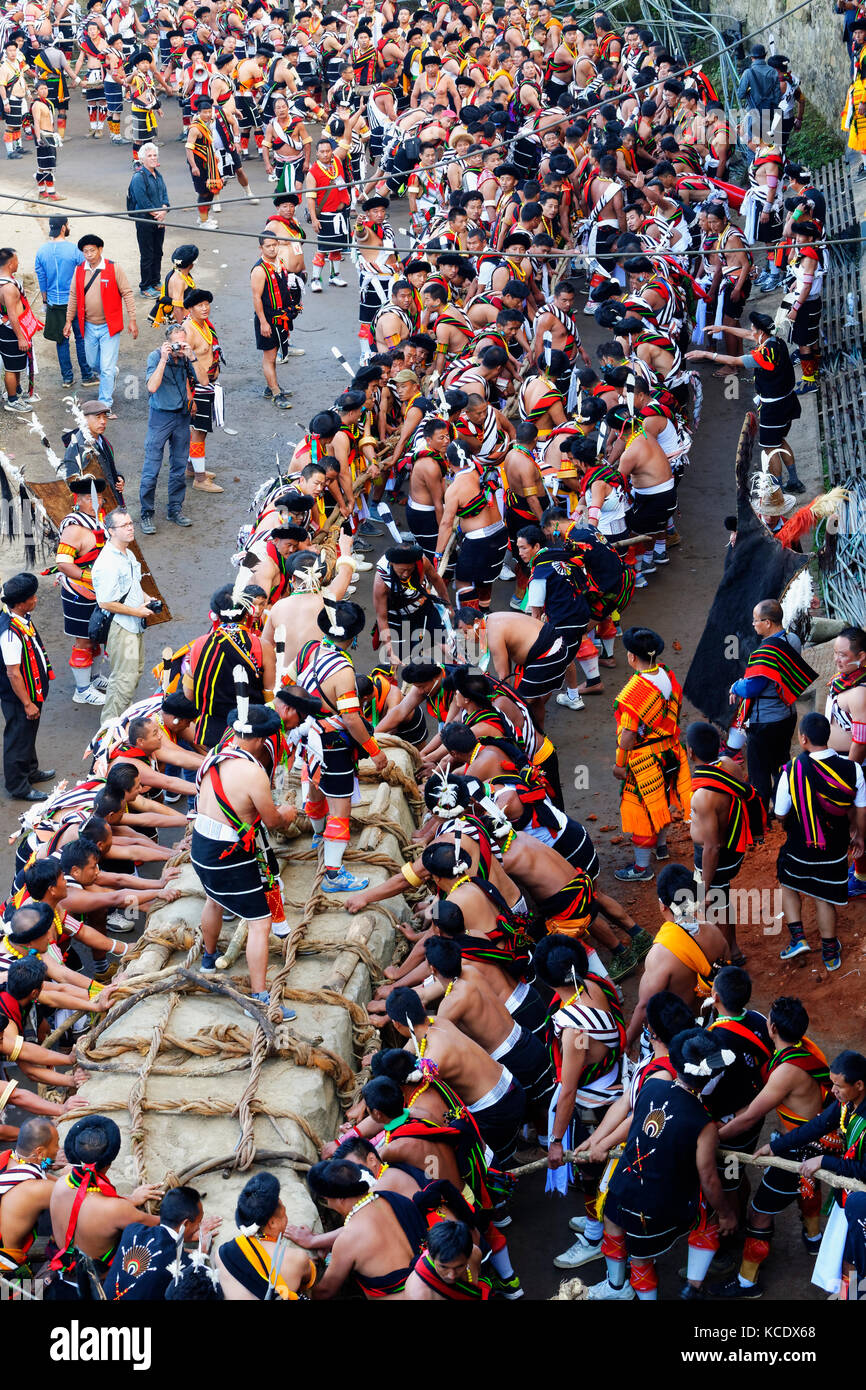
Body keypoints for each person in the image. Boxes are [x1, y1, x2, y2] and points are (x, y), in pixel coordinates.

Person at [585, 1027, 737, 1301]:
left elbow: (634, 1120)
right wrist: (726, 1213)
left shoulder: (652, 1085)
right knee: (709, 1215)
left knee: (615, 1222)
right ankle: (693, 1287)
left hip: (620, 1194)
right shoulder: (704, 1124)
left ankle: (617, 1286)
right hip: (658, 1210)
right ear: (711, 1078)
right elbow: (709, 1179)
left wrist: (602, 1143)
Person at [713, 995, 831, 1298]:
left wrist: (712, 1138)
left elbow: (752, 1114)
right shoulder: (806, 1049)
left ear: (773, 1027)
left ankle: (747, 1283)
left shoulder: (785, 1072)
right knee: (809, 1186)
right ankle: (814, 1238)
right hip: (813, 1142)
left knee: (759, 1215)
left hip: (794, 1149)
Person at [190, 703, 299, 1016]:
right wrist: (288, 813)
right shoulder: (252, 772)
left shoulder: (216, 754)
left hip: (202, 847)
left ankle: (208, 960)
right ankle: (259, 998)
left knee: (213, 899)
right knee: (259, 922)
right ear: (262, 739)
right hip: (230, 856)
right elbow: (273, 820)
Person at [288, 597, 390, 893]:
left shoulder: (309, 650)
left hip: (309, 737)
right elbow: (351, 720)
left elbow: (288, 685)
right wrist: (375, 751)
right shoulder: (343, 672)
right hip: (333, 745)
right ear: (353, 635)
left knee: (315, 787)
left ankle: (319, 836)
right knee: (340, 810)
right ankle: (333, 873)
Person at [761, 1049, 866, 1299]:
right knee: (847, 1254)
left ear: (859, 1085)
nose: (833, 1091)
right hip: (851, 1194)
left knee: (855, 1255)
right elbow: (817, 1126)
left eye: (839, 1086)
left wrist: (824, 1160)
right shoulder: (847, 1103)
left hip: (860, 1200)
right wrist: (775, 1147)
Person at [774, 712, 866, 972]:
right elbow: (861, 808)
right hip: (835, 850)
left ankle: (797, 938)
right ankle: (829, 953)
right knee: (824, 897)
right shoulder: (853, 769)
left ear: (803, 739)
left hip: (799, 848)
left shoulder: (792, 770)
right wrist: (858, 835)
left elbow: (780, 813)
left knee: (788, 883)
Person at [47, 1115, 161, 1297]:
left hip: (63, 1274)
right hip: (97, 1285)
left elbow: (86, 1204)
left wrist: (130, 1199)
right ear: (108, 1163)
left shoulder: (62, 1182)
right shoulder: (116, 1209)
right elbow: (165, 1226)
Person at [612, 626, 691, 882]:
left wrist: (619, 764)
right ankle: (661, 847)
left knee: (640, 806)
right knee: (662, 799)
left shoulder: (634, 692)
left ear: (632, 657)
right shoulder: (666, 674)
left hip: (646, 759)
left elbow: (627, 735)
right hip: (671, 752)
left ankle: (641, 868)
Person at [625, 864, 728, 1051]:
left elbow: (644, 1006)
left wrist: (627, 1042)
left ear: (662, 905)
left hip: (671, 1038)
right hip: (707, 1023)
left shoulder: (660, 955)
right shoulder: (715, 934)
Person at [727, 599, 817, 813]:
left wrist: (736, 686)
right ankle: (782, 809)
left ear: (768, 622)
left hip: (765, 721)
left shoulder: (767, 651)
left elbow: (752, 688)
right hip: (788, 714)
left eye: (756, 620)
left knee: (759, 773)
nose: (753, 624)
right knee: (781, 765)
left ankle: (760, 820)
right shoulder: (792, 639)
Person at [90, 509, 154, 723]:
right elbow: (105, 602)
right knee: (123, 680)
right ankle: (109, 729)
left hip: (134, 624)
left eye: (130, 523)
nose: (130, 527)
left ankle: (124, 721)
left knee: (135, 672)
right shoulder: (107, 563)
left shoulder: (128, 553)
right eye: (124, 525)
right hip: (122, 627)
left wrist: (146, 598)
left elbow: (132, 585)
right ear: (111, 531)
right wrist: (137, 611)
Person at [64, 232, 138, 416]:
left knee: (105, 368)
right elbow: (73, 295)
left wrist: (133, 320)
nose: (89, 254)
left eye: (92, 250)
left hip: (109, 327)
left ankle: (105, 403)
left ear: (100, 250)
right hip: (88, 325)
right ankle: (110, 372)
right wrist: (68, 321)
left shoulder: (114, 269)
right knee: (91, 362)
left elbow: (127, 293)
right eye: (85, 251)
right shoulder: (79, 270)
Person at [105, 1185, 220, 1299]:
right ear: (185, 1224)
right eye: (199, 1222)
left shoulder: (132, 1230)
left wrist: (184, 1237)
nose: (199, 1226)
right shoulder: (184, 1263)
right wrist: (201, 1252)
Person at [53, 473, 108, 707]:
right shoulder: (74, 528)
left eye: (101, 499)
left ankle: (94, 678)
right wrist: (90, 577)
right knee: (83, 642)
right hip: (79, 593)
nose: (99, 503)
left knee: (97, 638)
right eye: (93, 499)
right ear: (81, 500)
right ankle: (82, 690)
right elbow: (64, 563)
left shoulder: (99, 520)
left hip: (100, 591)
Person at [0, 573, 55, 804]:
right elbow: (13, 673)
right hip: (20, 698)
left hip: (32, 693)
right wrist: (27, 703)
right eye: (32, 597)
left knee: (27, 735)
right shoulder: (11, 633)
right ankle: (18, 786)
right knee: (18, 739)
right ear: (21, 603)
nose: (36, 599)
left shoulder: (21, 617)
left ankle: (31, 771)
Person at [217, 1172, 315, 1299]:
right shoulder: (297, 1258)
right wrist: (308, 1262)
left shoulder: (222, 1253)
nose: (286, 1218)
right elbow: (308, 1279)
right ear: (272, 1223)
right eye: (284, 1214)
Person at [140, 322, 196, 533]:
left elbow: (202, 380)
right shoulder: (155, 357)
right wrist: (164, 359)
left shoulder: (185, 356)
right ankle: (146, 514)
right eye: (176, 344)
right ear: (167, 343)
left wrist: (191, 357)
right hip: (160, 417)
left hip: (182, 416)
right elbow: (152, 387)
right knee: (151, 469)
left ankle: (175, 509)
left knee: (179, 467)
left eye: (183, 342)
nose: (180, 347)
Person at [33, 215, 96, 388]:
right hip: (75, 302)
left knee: (61, 340)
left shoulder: (42, 251)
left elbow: (42, 279)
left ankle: (67, 378)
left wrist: (46, 301)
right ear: (63, 228)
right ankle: (87, 375)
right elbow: (87, 274)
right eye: (67, 224)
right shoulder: (75, 250)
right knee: (81, 339)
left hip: (55, 303)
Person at [0, 1118, 61, 1278]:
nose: (58, 1149)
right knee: (33, 1292)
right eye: (56, 1143)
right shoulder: (36, 1189)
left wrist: (48, 1162)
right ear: (40, 1152)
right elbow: (78, 1196)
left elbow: (39, 1170)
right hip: (7, 1270)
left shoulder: (6, 1159)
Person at [403, 1219, 491, 1300]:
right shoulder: (418, 1295)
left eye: (459, 1266)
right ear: (431, 1257)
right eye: (443, 1267)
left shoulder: (475, 1254)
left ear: (468, 1256)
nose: (451, 1276)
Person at [126, 141, 170, 297]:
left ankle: (155, 281)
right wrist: (158, 215)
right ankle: (145, 286)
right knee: (147, 253)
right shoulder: (139, 177)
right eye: (149, 156)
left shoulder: (158, 175)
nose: (153, 158)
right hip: (145, 221)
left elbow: (164, 196)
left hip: (159, 220)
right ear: (142, 159)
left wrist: (164, 210)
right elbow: (143, 201)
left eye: (154, 155)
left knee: (158, 251)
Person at [62, 399, 124, 496]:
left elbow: (107, 465)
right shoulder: (78, 446)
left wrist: (118, 477)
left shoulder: (101, 439)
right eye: (98, 417)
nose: (103, 421)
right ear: (84, 419)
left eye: (104, 417)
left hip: (109, 496)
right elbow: (72, 481)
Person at [0, 246, 35, 413]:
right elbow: (13, 315)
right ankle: (12, 400)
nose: (18, 263)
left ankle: (16, 391)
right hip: (11, 331)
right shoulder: (8, 287)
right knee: (11, 367)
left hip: (5, 328)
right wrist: (21, 337)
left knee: (15, 366)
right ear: (10, 264)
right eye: (16, 260)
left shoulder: (5, 282)